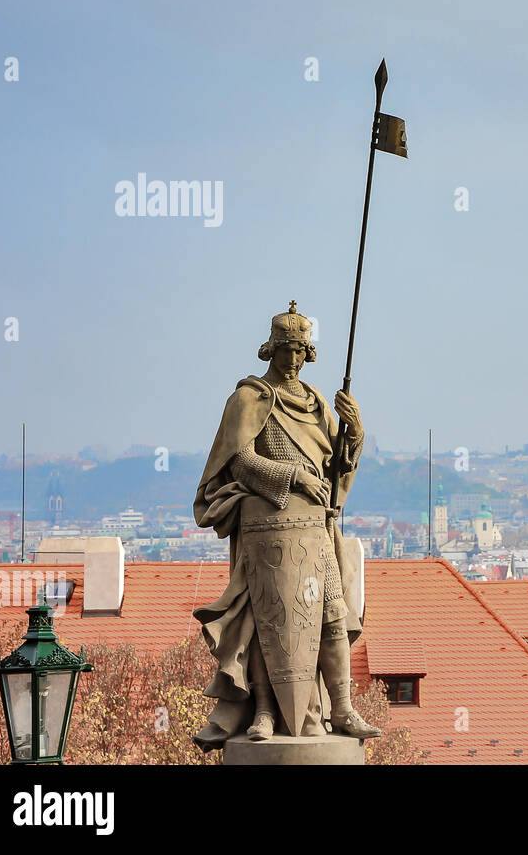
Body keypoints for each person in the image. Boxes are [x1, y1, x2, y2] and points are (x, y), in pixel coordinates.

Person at [191, 301, 381, 750]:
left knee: (333, 618)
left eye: (301, 350)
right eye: (287, 349)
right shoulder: (250, 398)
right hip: (268, 530)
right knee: (265, 622)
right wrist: (291, 475)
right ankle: (262, 710)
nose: (294, 359)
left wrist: (353, 435)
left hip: (315, 532)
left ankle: (342, 707)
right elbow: (239, 460)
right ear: (271, 349)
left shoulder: (317, 405)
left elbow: (333, 472)